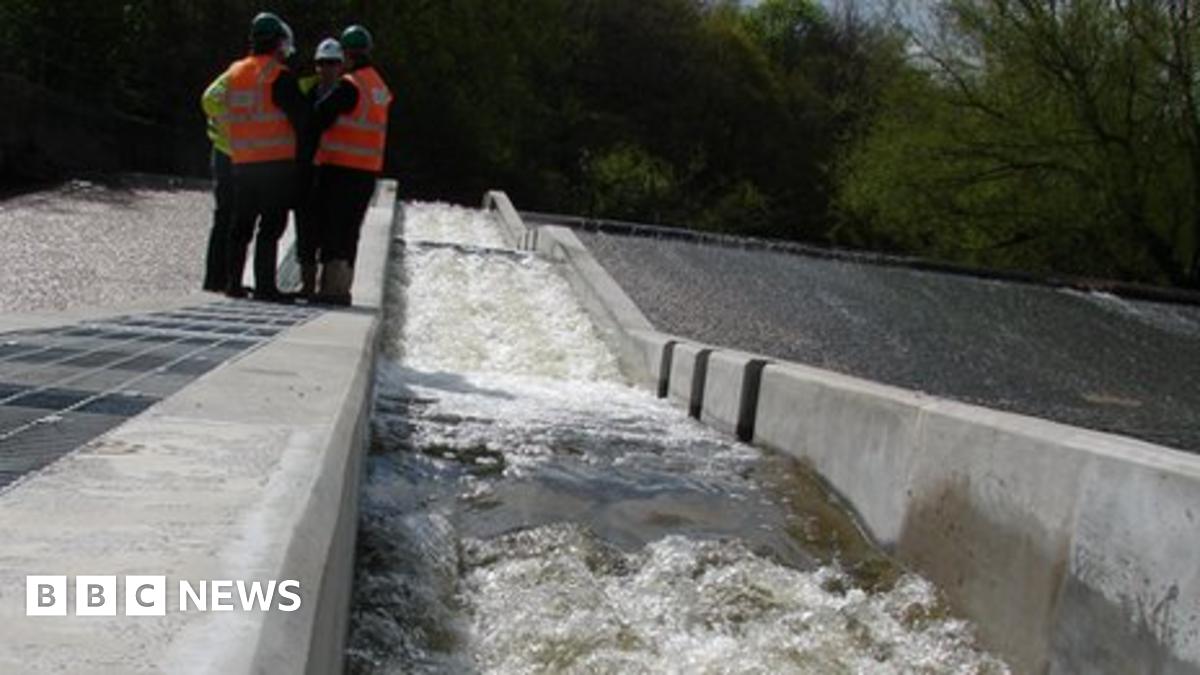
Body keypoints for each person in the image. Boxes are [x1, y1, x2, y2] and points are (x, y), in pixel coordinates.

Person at [222, 12, 307, 301]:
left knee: (240, 226)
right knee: (271, 227)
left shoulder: (234, 73)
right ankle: (266, 286)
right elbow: (302, 118)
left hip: (243, 162)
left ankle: (233, 284)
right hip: (275, 164)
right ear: (277, 43)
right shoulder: (278, 76)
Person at [311, 25, 393, 306]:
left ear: (347, 54)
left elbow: (320, 115)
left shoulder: (351, 85)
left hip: (340, 168)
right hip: (367, 170)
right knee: (350, 230)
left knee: (332, 228)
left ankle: (330, 289)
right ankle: (343, 286)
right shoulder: (379, 86)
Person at [294, 38, 346, 300]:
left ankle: (327, 287)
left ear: (341, 66)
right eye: (323, 63)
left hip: (335, 171)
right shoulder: (304, 91)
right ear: (316, 66)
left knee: (330, 227)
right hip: (307, 169)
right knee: (305, 227)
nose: (327, 68)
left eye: (333, 63)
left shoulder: (349, 95)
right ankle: (306, 284)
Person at [199, 69, 234, 293]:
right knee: (229, 218)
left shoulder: (236, 73)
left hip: (228, 152)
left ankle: (220, 280)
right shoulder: (242, 74)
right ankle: (220, 280)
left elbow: (210, 98)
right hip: (233, 154)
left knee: (227, 218)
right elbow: (209, 99)